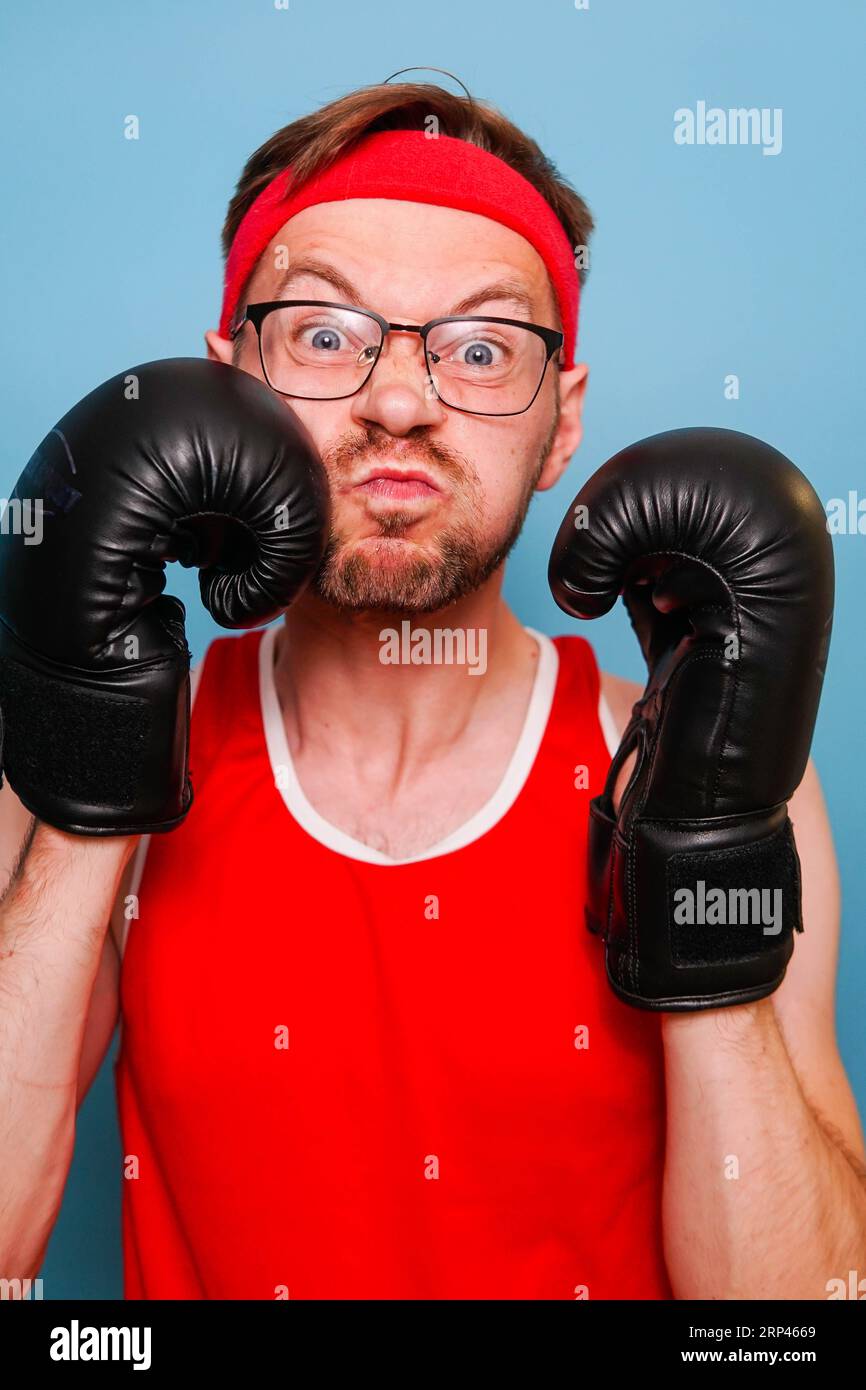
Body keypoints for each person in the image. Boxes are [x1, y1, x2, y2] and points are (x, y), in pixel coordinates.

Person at [1, 77, 864, 1301]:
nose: (398, 401)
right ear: (226, 376)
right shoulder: (123, 746)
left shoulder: (678, 757)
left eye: (478, 347)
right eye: (322, 333)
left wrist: (694, 843)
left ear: (560, 420)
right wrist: (89, 750)